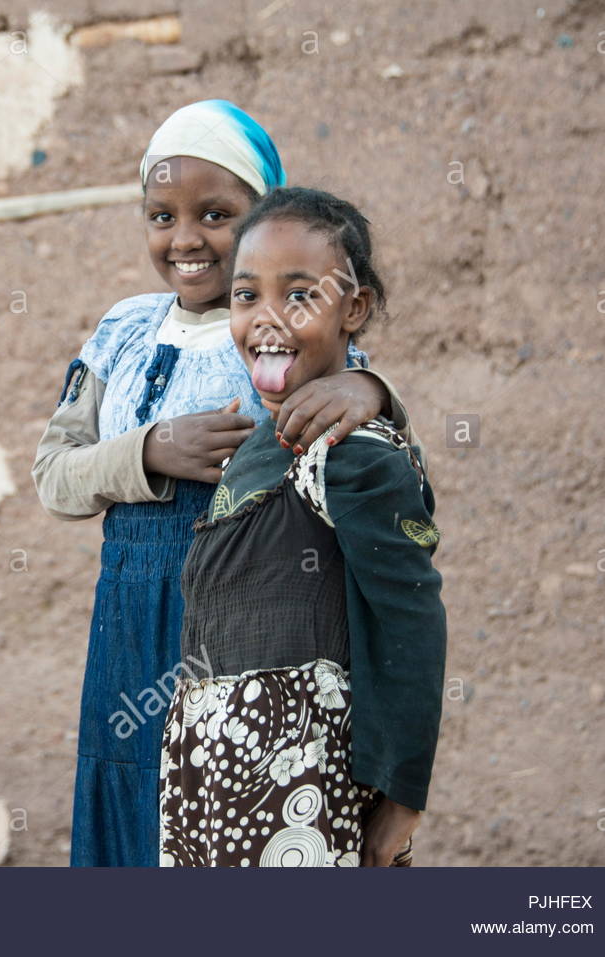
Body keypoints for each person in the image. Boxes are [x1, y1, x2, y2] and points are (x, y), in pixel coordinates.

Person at [33, 100, 417, 867]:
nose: (185, 238)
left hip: (245, 618)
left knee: (224, 804)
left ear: (264, 219)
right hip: (130, 617)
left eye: (216, 214)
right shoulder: (124, 333)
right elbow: (54, 475)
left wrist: (372, 390)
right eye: (161, 216)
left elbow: (359, 416)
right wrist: (149, 450)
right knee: (130, 791)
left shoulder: (282, 329)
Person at [158, 186, 446, 867]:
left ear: (354, 309)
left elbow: (411, 619)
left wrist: (402, 798)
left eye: (298, 296)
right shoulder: (264, 442)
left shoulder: (351, 450)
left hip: (299, 790)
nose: (266, 317)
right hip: (214, 779)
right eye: (246, 295)